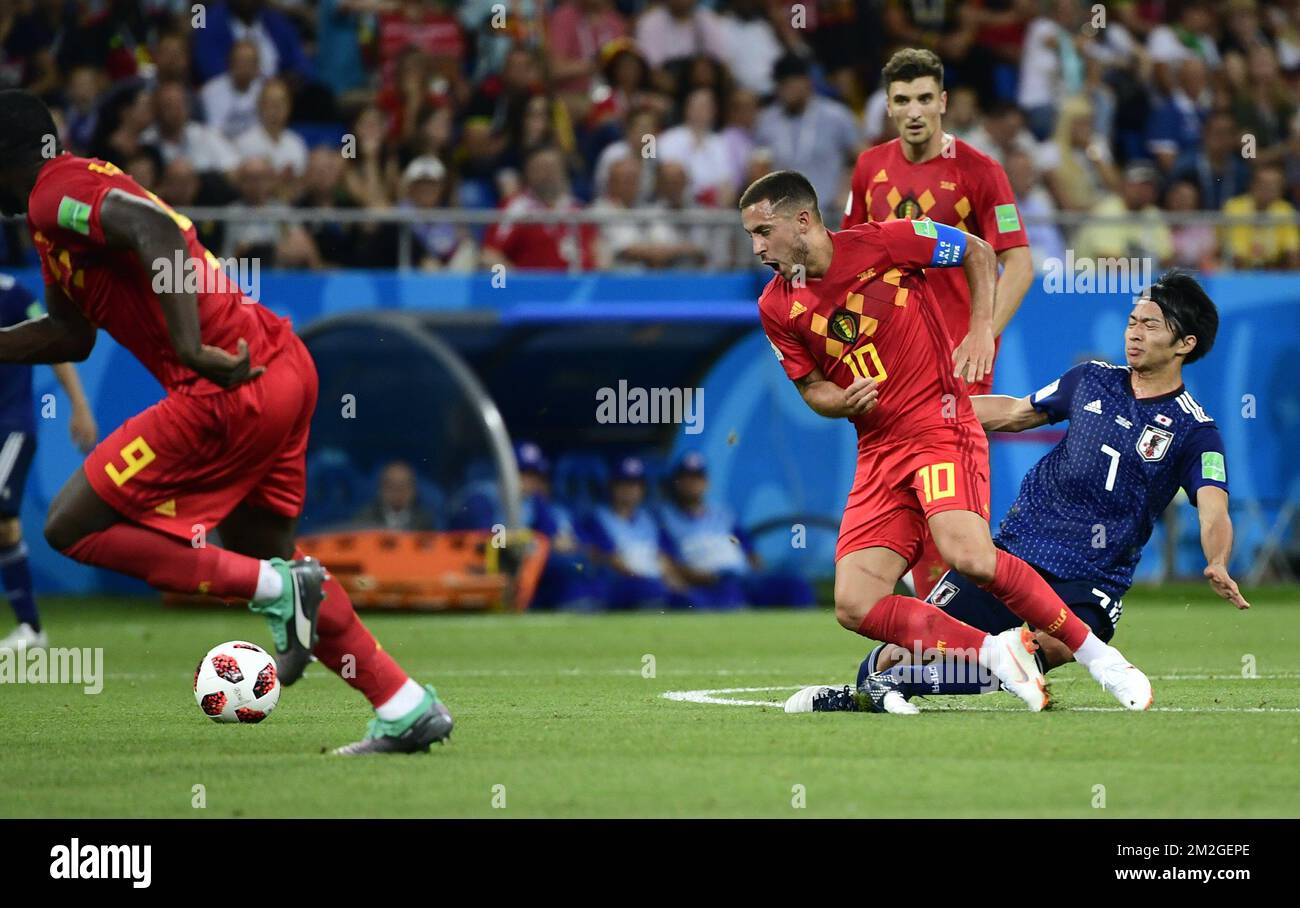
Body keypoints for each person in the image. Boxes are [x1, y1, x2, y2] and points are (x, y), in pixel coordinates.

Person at [0, 90, 450, 755]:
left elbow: (156, 233)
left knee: (71, 525)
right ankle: (402, 702)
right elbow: (72, 335)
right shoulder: (55, 217)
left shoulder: (52, 193)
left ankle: (276, 590)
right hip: (280, 368)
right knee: (270, 554)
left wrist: (188, 348)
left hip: (221, 389)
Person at [740, 168, 1152, 712]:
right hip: (878, 452)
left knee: (970, 557)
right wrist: (840, 402)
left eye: (763, 232)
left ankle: (1101, 658)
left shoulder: (888, 241)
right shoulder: (775, 306)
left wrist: (982, 327)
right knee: (855, 604)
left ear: (802, 219)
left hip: (940, 426)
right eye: (750, 236)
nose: (757, 247)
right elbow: (812, 386)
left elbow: (979, 251)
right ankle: (993, 652)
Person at [792, 271, 1249, 712]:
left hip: (1092, 575)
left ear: (1185, 344)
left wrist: (1216, 560)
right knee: (902, 650)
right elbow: (1014, 413)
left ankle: (896, 686)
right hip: (1019, 549)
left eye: (1151, 326)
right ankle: (883, 679)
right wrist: (929, 410)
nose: (1135, 333)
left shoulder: (1195, 430)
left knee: (1045, 646)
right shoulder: (1090, 379)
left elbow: (1214, 510)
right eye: (1133, 321)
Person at [842, 48, 1034, 598]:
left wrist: (982, 332)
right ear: (888, 106)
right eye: (902, 100)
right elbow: (853, 259)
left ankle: (957, 630)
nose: (915, 110)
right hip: (891, 366)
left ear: (944, 101)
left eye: (925, 98)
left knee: (949, 502)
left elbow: (1019, 262)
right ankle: (939, 629)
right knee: (902, 495)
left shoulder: (979, 171)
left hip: (956, 360)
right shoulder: (869, 169)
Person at [0, 273, 97, 651]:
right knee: (5, 531)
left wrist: (80, 404)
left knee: (3, 517)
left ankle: (30, 628)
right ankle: (31, 628)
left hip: (11, 425)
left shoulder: (13, 294)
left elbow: (55, 344)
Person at [657, 451, 815, 609]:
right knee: (722, 598)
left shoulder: (723, 514)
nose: (692, 483)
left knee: (796, 586)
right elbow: (668, 562)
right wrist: (700, 578)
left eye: (697, 477)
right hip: (709, 582)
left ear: (707, 482)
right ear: (676, 482)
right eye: (687, 478)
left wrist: (756, 573)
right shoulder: (666, 519)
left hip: (742, 577)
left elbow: (750, 552)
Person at [578, 456, 678, 610]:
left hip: (653, 579)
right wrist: (647, 576)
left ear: (642, 488)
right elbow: (611, 559)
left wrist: (667, 576)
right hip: (620, 582)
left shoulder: (650, 518)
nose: (629, 490)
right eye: (623, 483)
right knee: (651, 591)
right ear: (612, 486)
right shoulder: (597, 518)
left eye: (634, 484)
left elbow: (665, 555)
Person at [352, 460, 438, 531]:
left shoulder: (424, 521)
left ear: (414, 490)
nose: (398, 491)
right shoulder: (365, 518)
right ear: (381, 489)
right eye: (392, 486)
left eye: (404, 485)